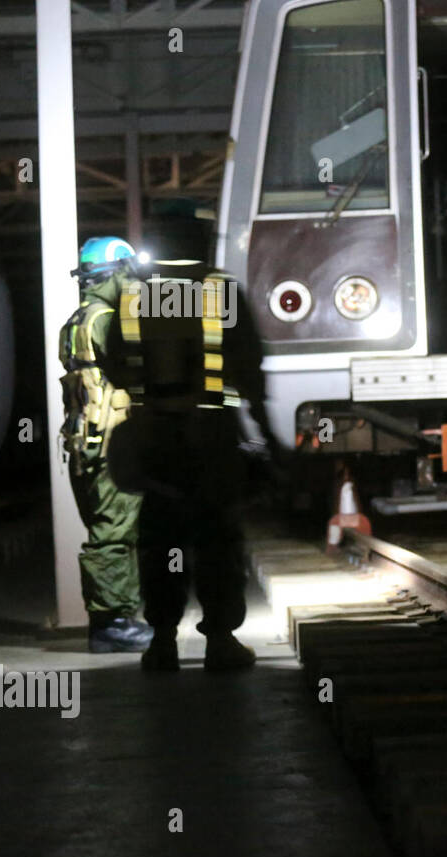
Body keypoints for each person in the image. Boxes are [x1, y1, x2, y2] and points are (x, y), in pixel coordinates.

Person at [97, 248, 280, 671]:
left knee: (161, 541)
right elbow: (250, 371)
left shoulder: (134, 296)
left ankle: (161, 643)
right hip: (211, 437)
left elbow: (116, 366)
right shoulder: (221, 291)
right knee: (216, 539)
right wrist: (268, 435)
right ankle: (220, 641)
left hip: (154, 439)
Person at [58, 237, 153, 652]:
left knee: (111, 530)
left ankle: (117, 619)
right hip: (111, 445)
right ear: (116, 273)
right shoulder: (107, 321)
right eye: (129, 273)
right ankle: (112, 625)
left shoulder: (77, 320)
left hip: (87, 445)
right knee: (114, 533)